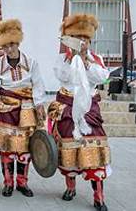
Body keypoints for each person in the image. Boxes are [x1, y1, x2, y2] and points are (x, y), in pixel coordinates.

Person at [48, 13, 111, 211]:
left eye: (84, 39)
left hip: (88, 109)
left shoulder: (96, 59)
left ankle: (98, 195)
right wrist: (74, 58)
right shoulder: (62, 60)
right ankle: (70, 187)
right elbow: (62, 75)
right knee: (68, 148)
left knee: (94, 148)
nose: (81, 42)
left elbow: (103, 78)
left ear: (89, 40)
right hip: (66, 107)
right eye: (77, 38)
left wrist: (85, 60)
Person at [0, 19, 47, 197]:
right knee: (7, 147)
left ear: (18, 42)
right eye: (5, 46)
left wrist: (39, 104)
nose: (9, 49)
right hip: (6, 108)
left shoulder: (32, 62)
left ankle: (22, 182)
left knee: (25, 147)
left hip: (27, 110)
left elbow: (38, 85)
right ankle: (7, 183)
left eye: (12, 44)